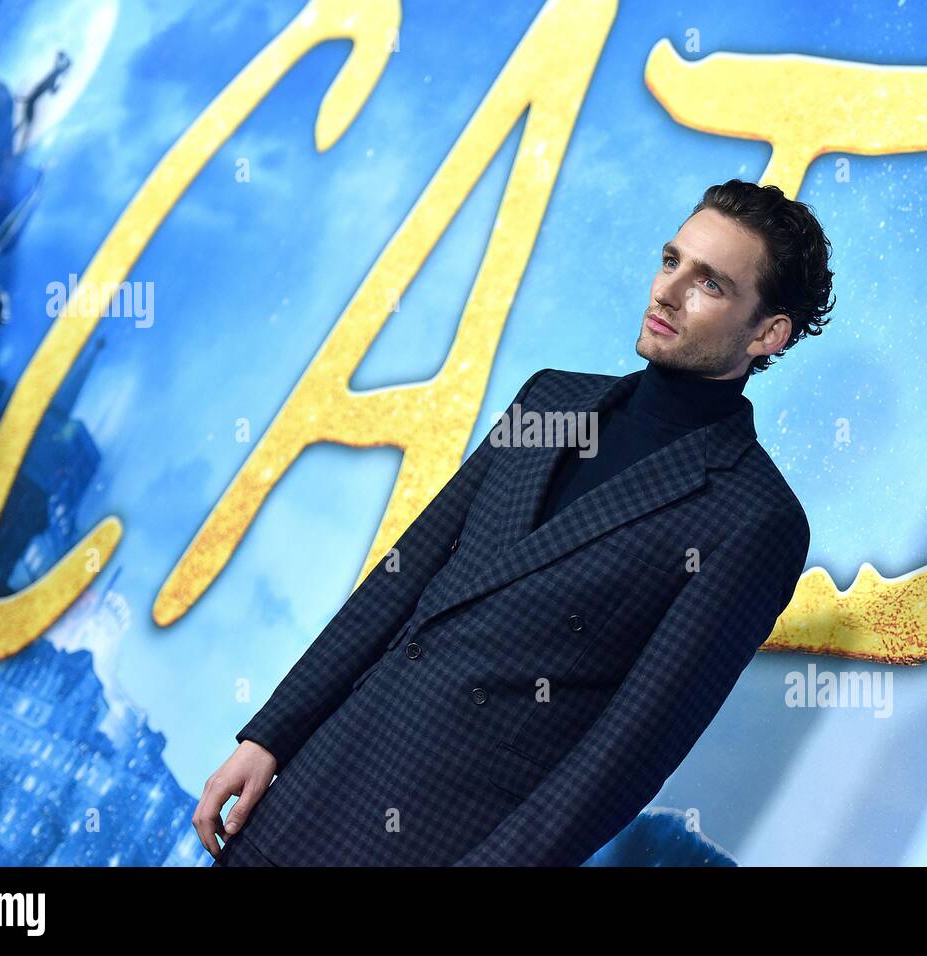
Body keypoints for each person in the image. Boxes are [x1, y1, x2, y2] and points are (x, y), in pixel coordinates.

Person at [196, 179, 833, 866]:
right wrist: (270, 734)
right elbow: (400, 578)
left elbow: (633, 746)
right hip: (318, 783)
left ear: (769, 333)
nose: (667, 292)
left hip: (445, 844)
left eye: (709, 284)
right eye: (671, 260)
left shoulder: (754, 517)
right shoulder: (551, 397)